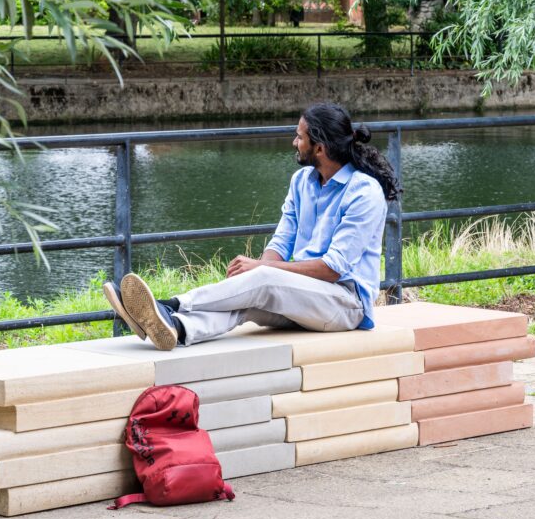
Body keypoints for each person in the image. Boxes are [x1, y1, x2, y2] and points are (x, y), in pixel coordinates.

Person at [103, 102, 400, 351]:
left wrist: (261, 269)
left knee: (265, 281)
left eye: (299, 137)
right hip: (307, 296)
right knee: (247, 303)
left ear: (319, 148)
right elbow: (281, 242)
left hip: (345, 305)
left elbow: (332, 269)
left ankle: (168, 306)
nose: (294, 142)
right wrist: (262, 267)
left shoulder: (363, 192)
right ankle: (177, 329)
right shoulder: (301, 182)